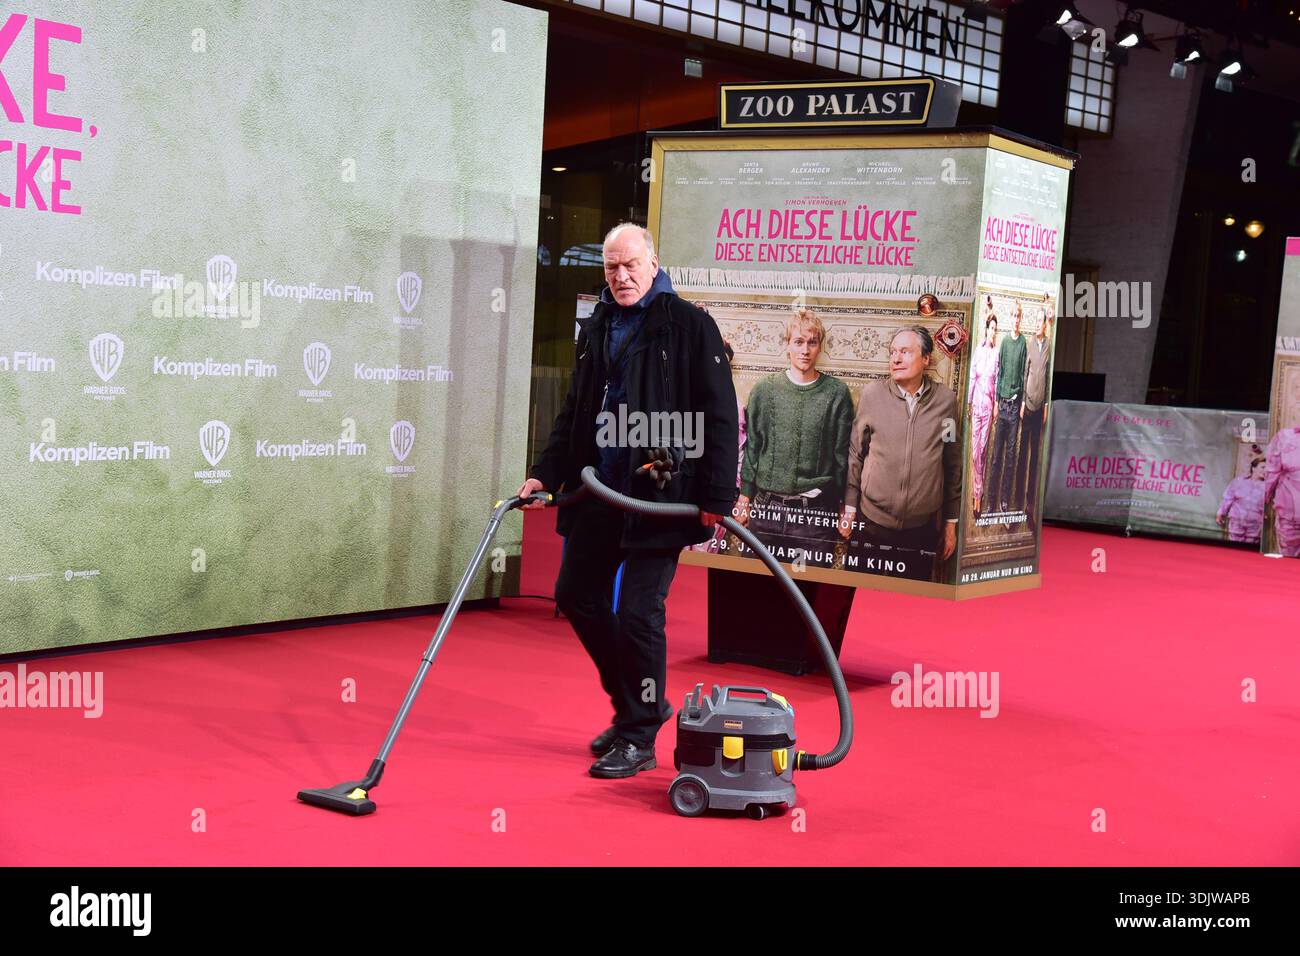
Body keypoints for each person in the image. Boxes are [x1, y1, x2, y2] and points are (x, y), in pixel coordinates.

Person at [517, 222, 738, 778]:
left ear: (654, 262)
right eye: (612, 267)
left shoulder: (690, 326)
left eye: (630, 264)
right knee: (577, 595)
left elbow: (719, 413)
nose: (621, 276)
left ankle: (638, 737)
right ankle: (640, 704)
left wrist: (718, 496)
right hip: (599, 489)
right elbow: (575, 409)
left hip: (661, 495)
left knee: (640, 612)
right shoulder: (597, 327)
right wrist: (546, 473)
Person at [839, 326, 960, 579]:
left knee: (907, 608)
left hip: (921, 532)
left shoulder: (946, 402)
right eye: (893, 352)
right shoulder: (873, 396)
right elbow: (855, 453)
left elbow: (952, 463)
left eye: (904, 352)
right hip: (871, 524)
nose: (895, 358)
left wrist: (950, 522)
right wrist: (850, 508)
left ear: (926, 359)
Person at [734, 309, 853, 564]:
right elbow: (753, 447)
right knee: (752, 586)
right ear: (787, 345)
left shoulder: (837, 394)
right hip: (767, 508)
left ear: (820, 347)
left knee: (808, 591)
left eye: (812, 342)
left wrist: (845, 504)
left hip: (815, 514)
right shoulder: (764, 390)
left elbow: (842, 454)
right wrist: (745, 497)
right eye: (798, 342)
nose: (805, 350)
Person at [988, 300, 1027, 513]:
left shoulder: (1022, 343)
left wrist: (1021, 403)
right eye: (1013, 316)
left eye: (1018, 316)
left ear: (1020, 319)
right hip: (1001, 406)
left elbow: (1023, 374)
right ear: (1010, 319)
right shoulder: (1004, 342)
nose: (1016, 320)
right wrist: (995, 403)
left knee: (1010, 456)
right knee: (996, 457)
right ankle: (992, 501)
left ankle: (1004, 499)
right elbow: (1000, 373)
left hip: (1014, 408)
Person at [1017, 307, 1053, 519]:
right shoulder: (1030, 344)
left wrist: (1047, 405)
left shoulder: (1048, 345)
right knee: (1022, 455)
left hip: (1040, 408)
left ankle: (1030, 502)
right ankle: (1019, 500)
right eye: (1036, 320)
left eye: (1042, 320)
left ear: (1045, 324)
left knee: (1034, 456)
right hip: (1027, 405)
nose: (1039, 323)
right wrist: (1022, 402)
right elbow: (1024, 375)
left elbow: (1047, 377)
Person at [1263, 376, 1300, 556]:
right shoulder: (1285, 437)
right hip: (1289, 513)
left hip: (1290, 512)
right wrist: (1265, 497)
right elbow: (1271, 471)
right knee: (1288, 558)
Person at [967, 314, 1000, 516]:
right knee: (974, 452)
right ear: (986, 329)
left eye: (996, 329)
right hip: (977, 405)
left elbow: (996, 380)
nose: (993, 332)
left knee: (982, 449)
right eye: (991, 328)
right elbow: (972, 376)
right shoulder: (978, 351)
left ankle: (978, 495)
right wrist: (969, 402)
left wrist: (996, 404)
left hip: (988, 406)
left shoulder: (997, 353)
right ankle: (976, 491)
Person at [1217, 457, 1267, 543]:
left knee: (1248, 550)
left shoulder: (1267, 486)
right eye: (1263, 467)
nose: (1265, 471)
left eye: (1268, 469)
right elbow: (1228, 498)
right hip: (1236, 522)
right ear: (1254, 468)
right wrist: (1220, 513)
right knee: (1234, 548)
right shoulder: (1239, 482)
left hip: (1255, 525)